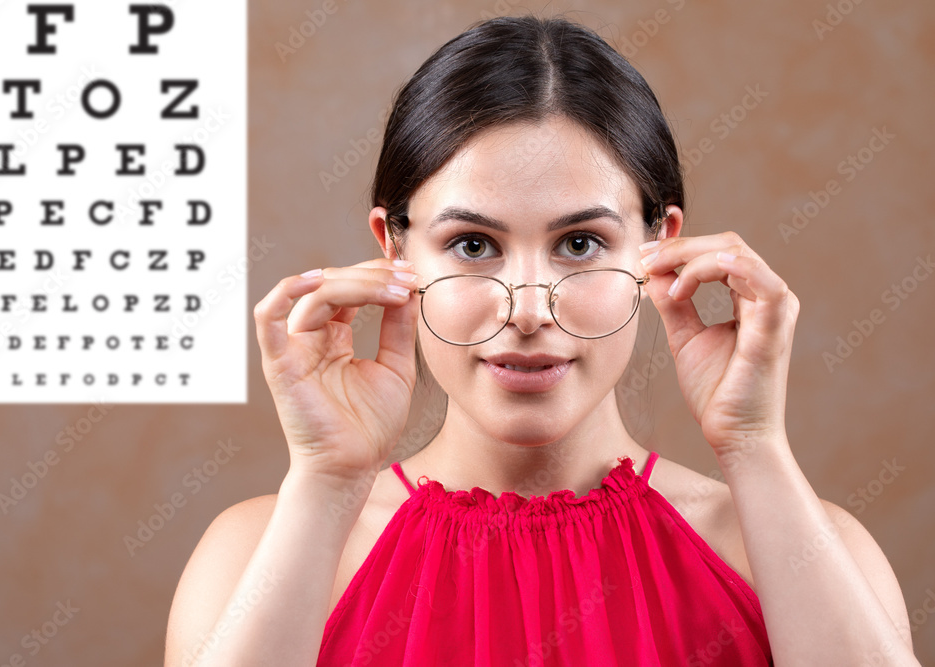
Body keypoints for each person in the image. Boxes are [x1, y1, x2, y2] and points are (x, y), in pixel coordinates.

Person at [165, 15, 918, 667]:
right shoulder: (254, 556)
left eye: (582, 242)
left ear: (659, 249)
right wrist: (327, 484)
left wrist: (754, 444)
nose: (527, 310)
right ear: (396, 252)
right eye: (471, 245)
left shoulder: (790, 553)